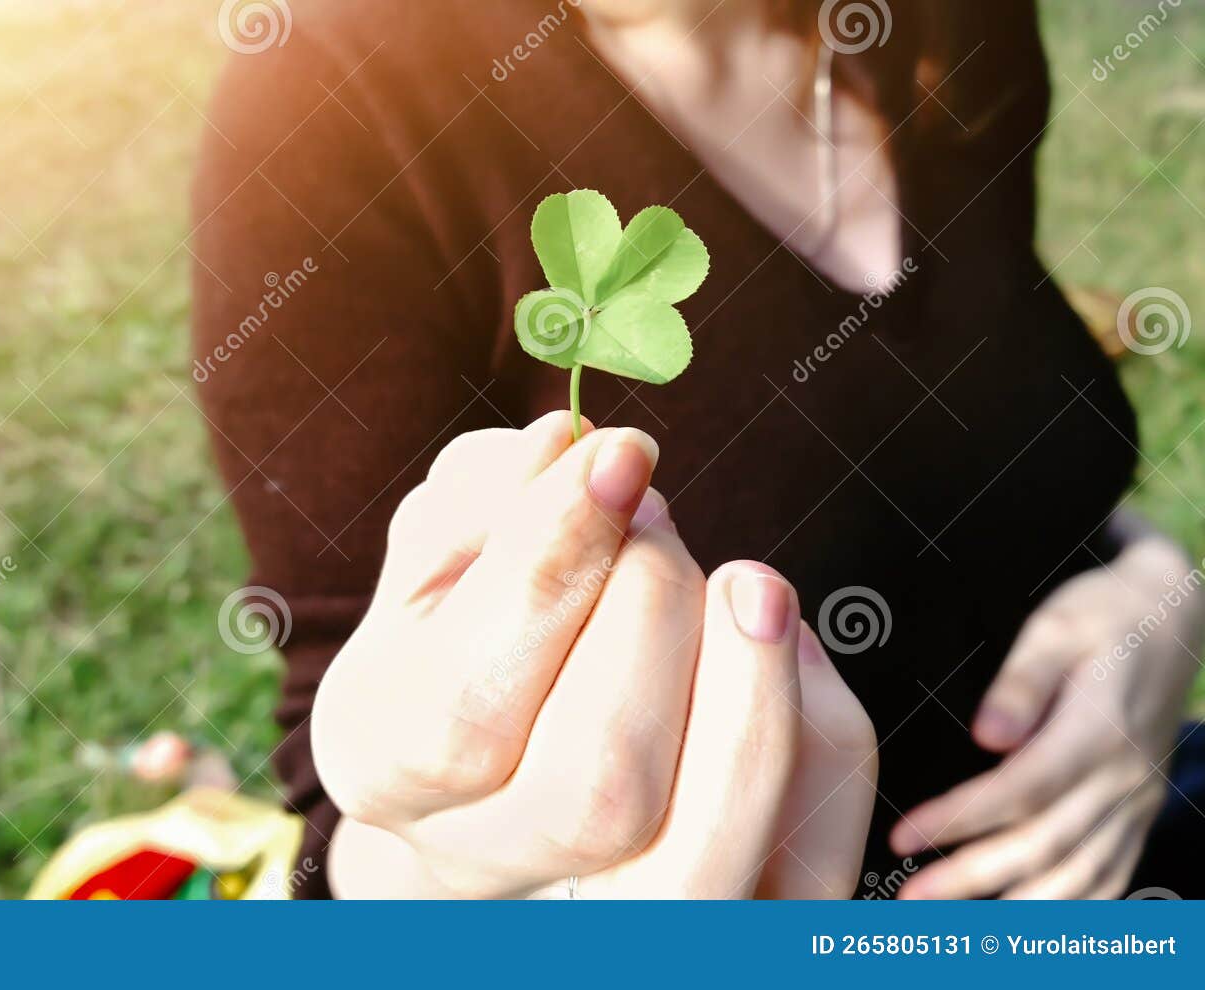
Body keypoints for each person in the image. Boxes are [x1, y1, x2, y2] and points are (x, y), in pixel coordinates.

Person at [189, 0, 1205, 898]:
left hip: (1120, 831)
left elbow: (976, 462)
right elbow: (347, 788)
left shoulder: (947, 28)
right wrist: (464, 883)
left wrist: (1156, 599)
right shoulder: (332, 89)